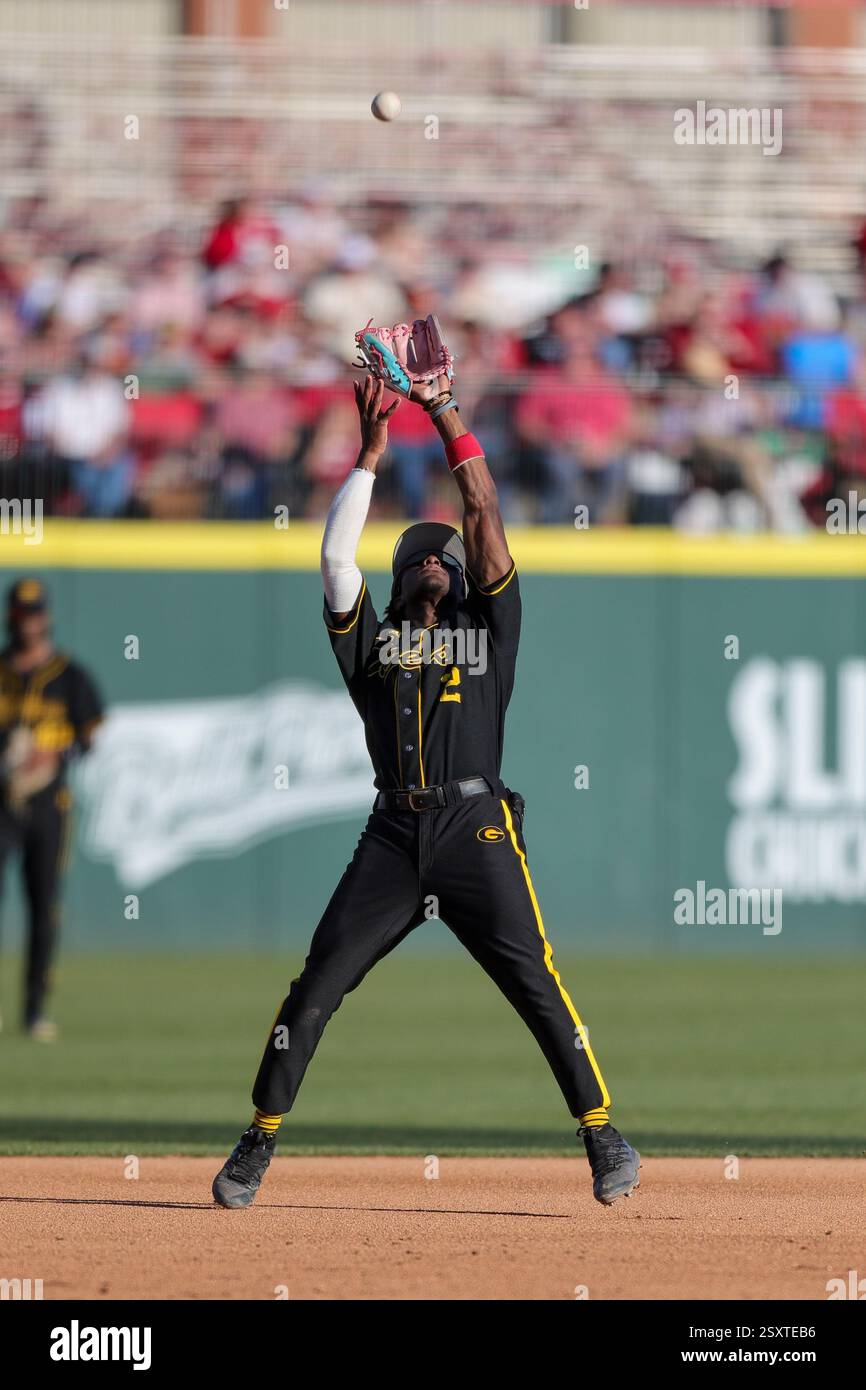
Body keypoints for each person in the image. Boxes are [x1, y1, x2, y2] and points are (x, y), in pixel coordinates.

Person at [212, 365, 640, 1209]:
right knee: (318, 983)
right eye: (424, 560)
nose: (440, 564)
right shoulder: (372, 647)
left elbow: (481, 508)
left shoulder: (492, 626)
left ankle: (601, 1133)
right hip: (393, 835)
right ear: (405, 578)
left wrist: (443, 412)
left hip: (477, 822)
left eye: (448, 560)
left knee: (536, 981)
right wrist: (370, 453)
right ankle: (259, 1139)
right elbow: (337, 557)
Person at [0, 579, 104, 1038]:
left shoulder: (69, 675)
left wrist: (52, 756)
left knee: (43, 906)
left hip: (49, 805)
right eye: (22, 615)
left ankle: (34, 1009)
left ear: (47, 617)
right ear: (11, 618)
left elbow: (90, 738)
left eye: (36, 613)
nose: (30, 623)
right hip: (2, 801)